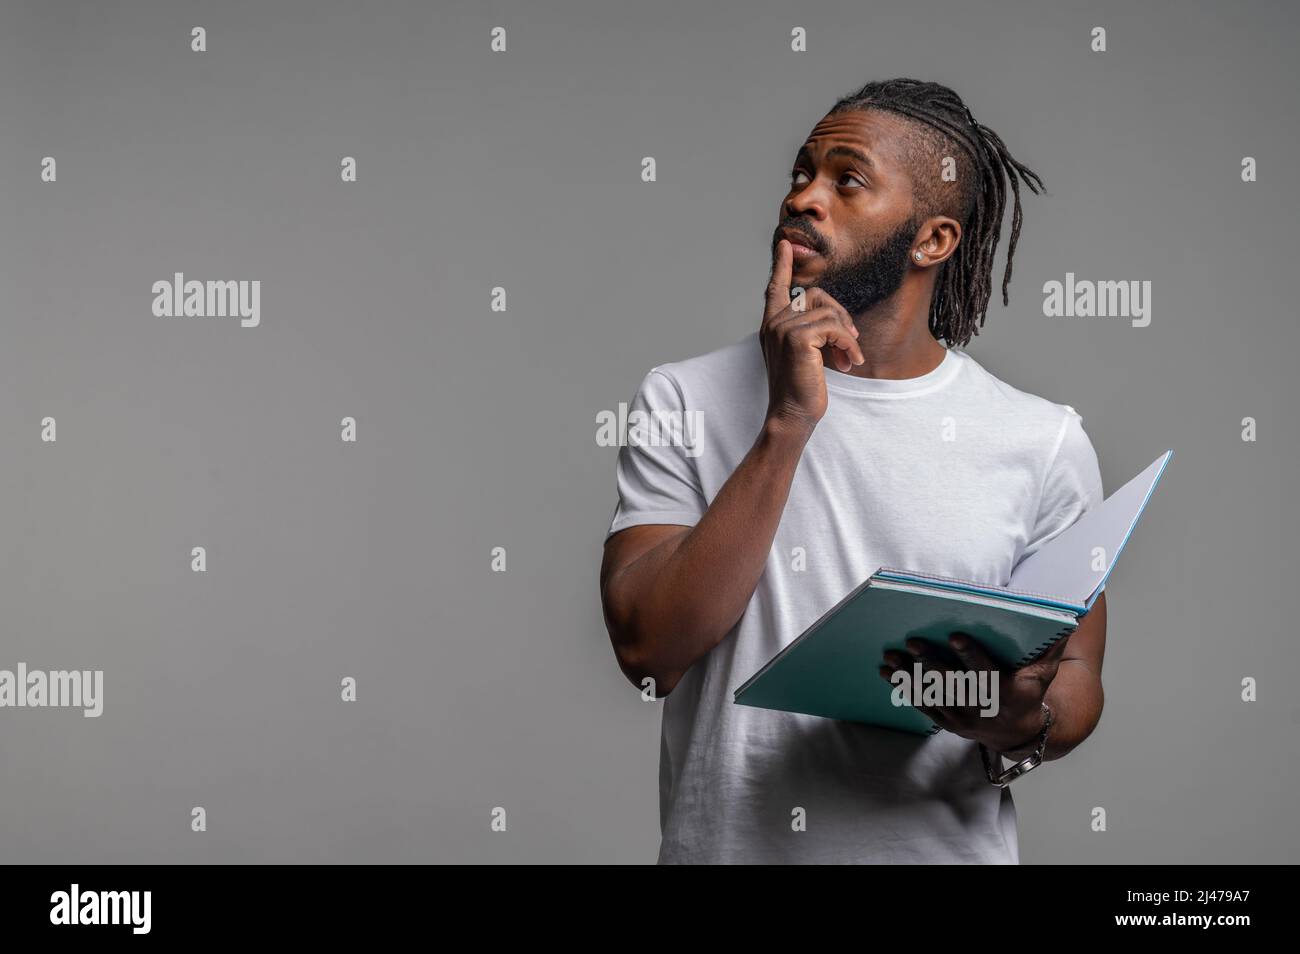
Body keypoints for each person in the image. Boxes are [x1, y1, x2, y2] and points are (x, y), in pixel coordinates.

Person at [599, 78, 1107, 864]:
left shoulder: (1041, 441)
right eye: (802, 172)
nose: (804, 196)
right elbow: (648, 648)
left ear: (933, 241)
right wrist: (787, 423)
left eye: (846, 179)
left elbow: (1074, 683)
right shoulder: (683, 397)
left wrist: (1009, 719)